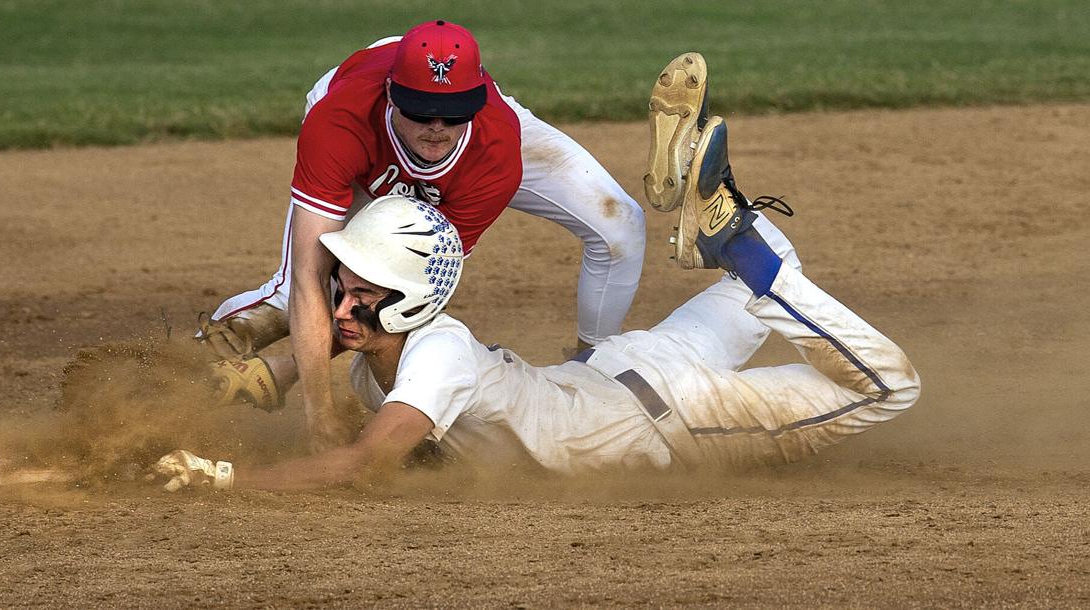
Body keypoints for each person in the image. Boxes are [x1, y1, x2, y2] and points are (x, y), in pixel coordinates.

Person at [154, 118, 921, 492]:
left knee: (894, 390)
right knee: (778, 264)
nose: (343, 307)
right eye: (341, 286)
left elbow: (361, 461)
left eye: (364, 293)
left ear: (413, 297)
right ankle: (734, 238)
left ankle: (736, 246)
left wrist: (225, 479)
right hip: (632, 364)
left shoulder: (437, 356)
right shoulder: (382, 367)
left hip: (687, 413)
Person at [197, 20, 649, 452]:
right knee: (302, 287)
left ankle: (593, 367)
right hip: (363, 130)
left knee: (619, 225)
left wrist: (287, 368)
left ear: (476, 102)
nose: (436, 126)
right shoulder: (339, 122)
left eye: (453, 115)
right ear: (392, 96)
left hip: (479, 152)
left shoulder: (495, 150)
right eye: (421, 111)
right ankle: (180, 368)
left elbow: (422, 288)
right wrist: (320, 416)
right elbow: (309, 280)